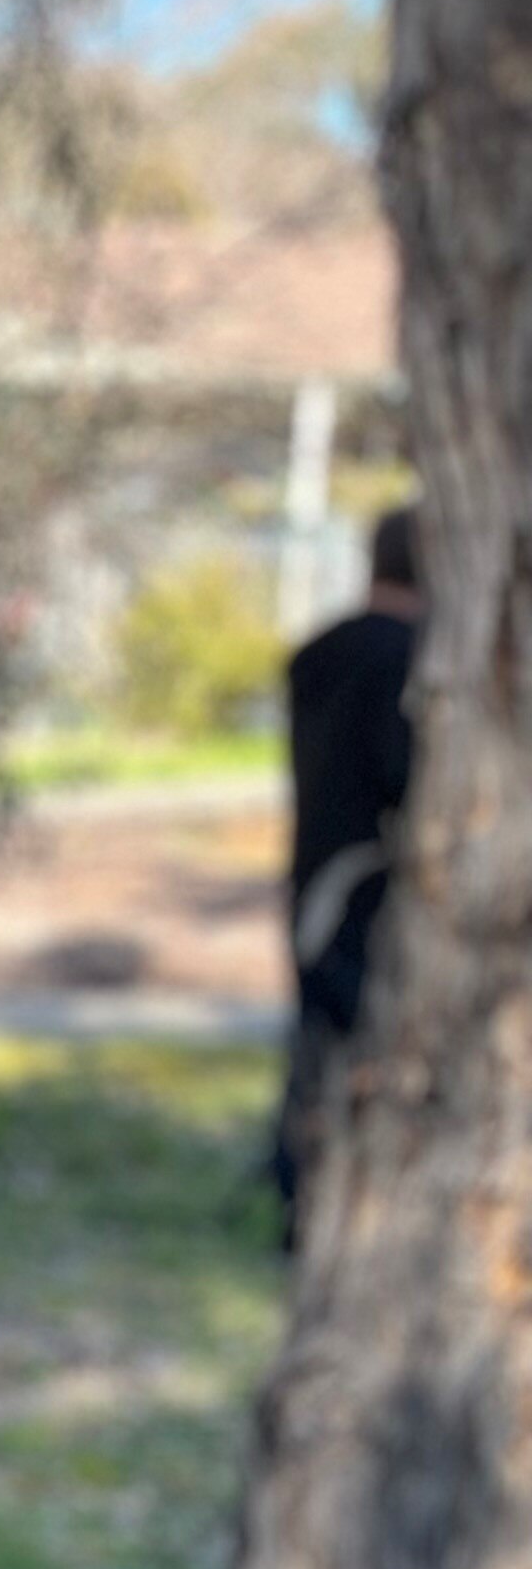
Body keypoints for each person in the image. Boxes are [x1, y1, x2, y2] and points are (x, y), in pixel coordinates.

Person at [277, 504, 425, 1230]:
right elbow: (406, 775)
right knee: (368, 1056)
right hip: (370, 890)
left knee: (316, 1047)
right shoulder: (404, 659)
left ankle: (294, 1196)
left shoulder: (319, 650)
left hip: (315, 882)